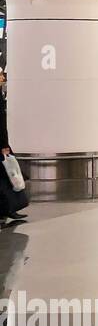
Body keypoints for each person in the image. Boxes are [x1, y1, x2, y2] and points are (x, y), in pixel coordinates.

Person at [0, 70, 25, 224]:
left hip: (2, 141)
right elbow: (1, 123)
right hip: (1, 143)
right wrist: (4, 145)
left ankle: (8, 209)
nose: (3, 77)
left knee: (7, 177)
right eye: (1, 74)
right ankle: (8, 209)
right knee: (6, 177)